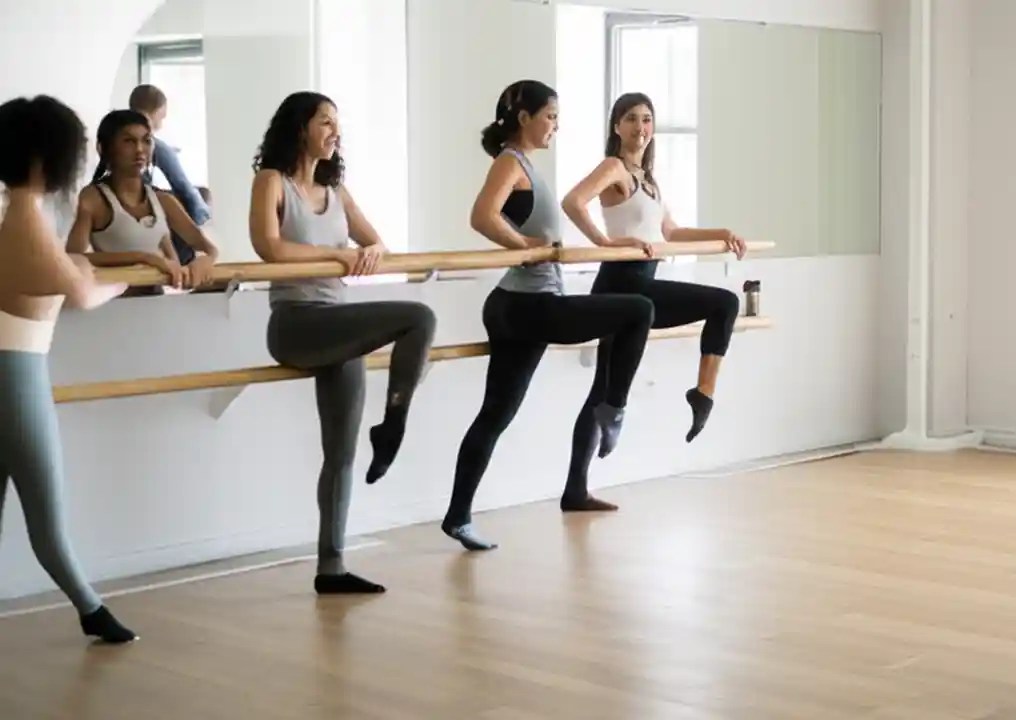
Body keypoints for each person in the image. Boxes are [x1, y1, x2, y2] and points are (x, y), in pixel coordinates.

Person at [443, 80, 655, 551]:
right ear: (524, 118)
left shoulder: (526, 166)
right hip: (529, 305)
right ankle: (614, 408)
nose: (556, 125)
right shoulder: (509, 162)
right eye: (551, 116)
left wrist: (541, 249)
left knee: (495, 414)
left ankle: (458, 517)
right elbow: (482, 216)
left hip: (518, 305)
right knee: (638, 309)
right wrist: (526, 248)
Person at [249, 91, 436, 594]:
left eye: (337, 123)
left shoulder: (338, 190)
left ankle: (330, 568)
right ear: (299, 128)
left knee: (341, 455)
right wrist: (337, 259)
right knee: (417, 316)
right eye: (325, 122)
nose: (335, 131)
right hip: (296, 323)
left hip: (338, 324)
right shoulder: (272, 182)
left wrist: (370, 251)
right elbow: (267, 246)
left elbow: (377, 242)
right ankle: (394, 421)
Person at [559, 92, 748, 511]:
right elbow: (572, 202)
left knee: (723, 304)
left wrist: (723, 234)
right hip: (619, 288)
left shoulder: (649, 178)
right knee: (602, 393)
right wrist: (607, 243)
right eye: (631, 119)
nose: (640, 128)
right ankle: (576, 489)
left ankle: (703, 394)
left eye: (646, 120)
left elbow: (672, 232)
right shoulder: (614, 168)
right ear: (616, 127)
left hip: (644, 286)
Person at [0, 95, 137, 643]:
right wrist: (131, 276)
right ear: (47, 156)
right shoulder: (26, 220)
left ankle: (91, 610)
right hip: (16, 375)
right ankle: (92, 610)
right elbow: (81, 290)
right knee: (46, 512)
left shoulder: (18, 214)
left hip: (14, 368)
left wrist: (100, 265)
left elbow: (70, 271)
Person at [66, 110, 219, 292]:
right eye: (129, 141)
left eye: (146, 141)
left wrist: (204, 261)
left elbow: (209, 248)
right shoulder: (93, 198)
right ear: (103, 148)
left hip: (157, 303)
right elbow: (74, 258)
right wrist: (143, 258)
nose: (140, 150)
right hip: (114, 305)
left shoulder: (163, 200)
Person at [129, 84, 212, 266]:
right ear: (154, 113)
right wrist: (202, 218)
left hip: (132, 203)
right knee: (199, 196)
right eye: (162, 116)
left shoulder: (116, 136)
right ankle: (186, 257)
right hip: (142, 208)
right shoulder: (155, 146)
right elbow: (182, 185)